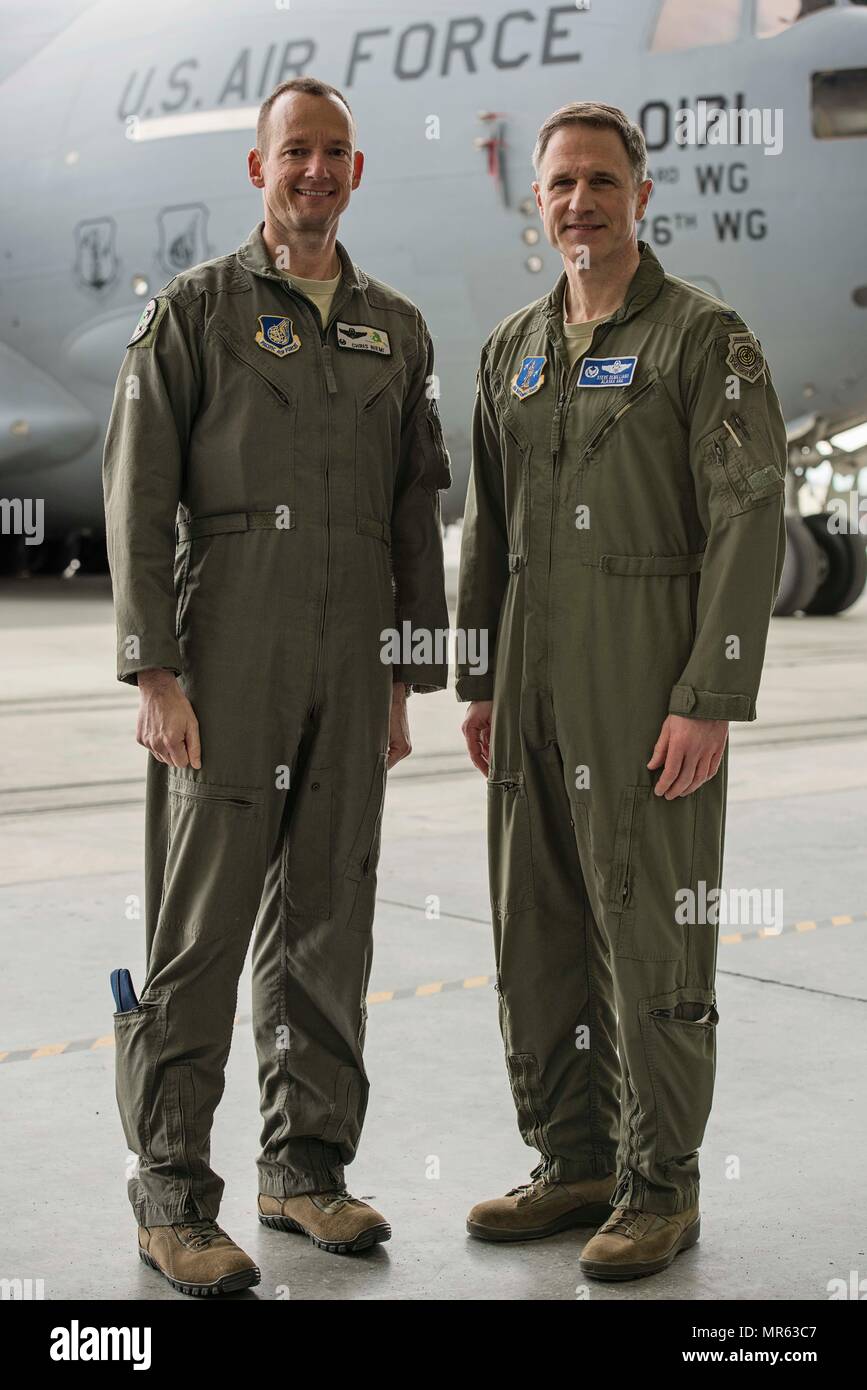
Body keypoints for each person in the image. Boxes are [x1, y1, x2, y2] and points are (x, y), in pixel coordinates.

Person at [103, 75, 451, 1296]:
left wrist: (405, 677)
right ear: (260, 169)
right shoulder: (196, 311)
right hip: (229, 646)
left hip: (354, 657)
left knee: (329, 917)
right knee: (199, 928)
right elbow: (140, 494)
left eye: (334, 152)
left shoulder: (394, 330)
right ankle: (170, 1193)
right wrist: (155, 668)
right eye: (295, 150)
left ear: (357, 171)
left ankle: (305, 1167)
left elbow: (415, 513)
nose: (315, 171)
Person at [455, 101, 786, 1281]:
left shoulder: (704, 339)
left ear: (641, 196)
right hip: (529, 684)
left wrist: (709, 694)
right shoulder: (513, 348)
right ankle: (576, 1159)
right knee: (536, 929)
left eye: (602, 181)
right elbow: (487, 526)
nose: (580, 202)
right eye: (561, 184)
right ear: (537, 203)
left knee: (653, 935)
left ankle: (662, 1184)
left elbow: (749, 515)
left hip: (646, 680)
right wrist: (479, 680)